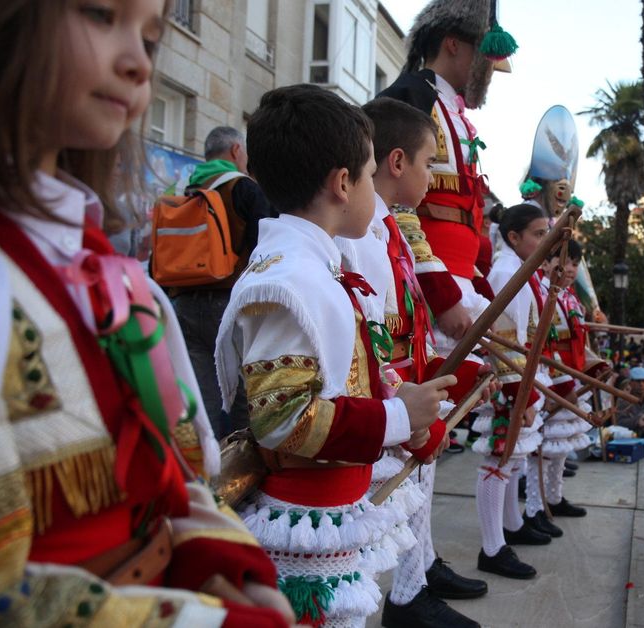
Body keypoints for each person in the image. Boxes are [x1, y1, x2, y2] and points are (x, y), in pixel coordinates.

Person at [0, 2, 296, 625]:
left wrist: (225, 564)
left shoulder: (102, 271)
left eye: (149, 38)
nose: (137, 65)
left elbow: (173, 474)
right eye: (100, 15)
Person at [214, 84, 455, 626]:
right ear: (343, 184)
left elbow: (356, 371)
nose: (374, 188)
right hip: (304, 516)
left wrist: (411, 415)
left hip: (330, 510)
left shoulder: (314, 268)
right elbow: (283, 420)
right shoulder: (287, 280)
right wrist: (398, 418)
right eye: (370, 175)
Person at [335, 97, 488, 628]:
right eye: (428, 163)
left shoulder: (391, 227)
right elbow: (368, 340)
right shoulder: (362, 237)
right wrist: (403, 409)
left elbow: (409, 327)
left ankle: (411, 593)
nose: (432, 176)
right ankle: (403, 600)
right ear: (397, 163)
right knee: (365, 533)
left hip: (400, 397)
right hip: (380, 405)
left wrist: (455, 378)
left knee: (405, 505)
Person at [377, 0, 518, 357]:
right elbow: (393, 201)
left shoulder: (453, 109)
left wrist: (476, 283)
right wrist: (438, 289)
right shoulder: (410, 97)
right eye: (483, 54)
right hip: (425, 282)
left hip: (460, 280)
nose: (488, 69)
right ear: (453, 44)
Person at [173, 126, 278, 440]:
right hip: (228, 304)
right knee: (242, 395)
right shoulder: (242, 188)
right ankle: (237, 465)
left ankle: (203, 460)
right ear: (236, 150)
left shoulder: (183, 190)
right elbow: (264, 247)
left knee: (201, 396)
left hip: (184, 303)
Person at [470, 203, 552, 580]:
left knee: (513, 456)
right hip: (507, 380)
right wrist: (522, 393)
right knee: (499, 458)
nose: (545, 241)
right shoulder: (506, 272)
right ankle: (492, 548)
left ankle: (512, 525)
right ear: (514, 236)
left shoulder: (518, 268)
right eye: (539, 234)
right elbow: (505, 340)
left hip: (519, 378)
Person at [524, 240, 596, 533]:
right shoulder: (541, 293)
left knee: (561, 444)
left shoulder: (568, 296)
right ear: (546, 263)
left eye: (575, 264)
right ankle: (534, 508)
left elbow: (578, 341)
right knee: (541, 450)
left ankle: (554, 497)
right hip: (550, 380)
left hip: (569, 376)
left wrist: (593, 367)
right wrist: (562, 384)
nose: (570, 269)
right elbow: (544, 345)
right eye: (564, 262)